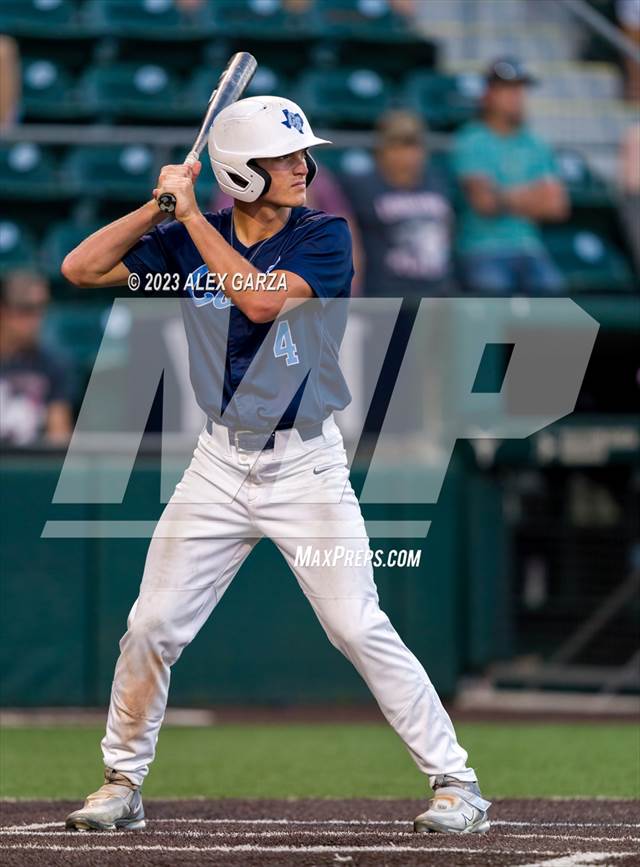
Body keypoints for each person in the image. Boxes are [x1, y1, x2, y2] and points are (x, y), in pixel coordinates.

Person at [61, 95, 490, 835]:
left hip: (306, 466)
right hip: (217, 465)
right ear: (242, 174)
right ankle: (122, 781)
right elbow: (79, 267)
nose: (302, 167)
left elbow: (260, 304)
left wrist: (191, 219)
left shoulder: (325, 236)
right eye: (283, 159)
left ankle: (457, 783)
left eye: (300, 155)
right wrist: (157, 208)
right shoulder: (185, 240)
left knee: (356, 624)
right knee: (151, 624)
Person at [452, 58, 569, 295]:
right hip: (481, 248)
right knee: (493, 292)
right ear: (489, 94)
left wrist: (503, 196)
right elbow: (484, 203)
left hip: (529, 246)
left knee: (557, 298)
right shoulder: (470, 140)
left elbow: (557, 206)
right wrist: (532, 196)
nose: (517, 97)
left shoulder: (536, 143)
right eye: (509, 89)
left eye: (520, 89)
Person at [343, 110, 455, 297]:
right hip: (386, 294)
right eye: (397, 146)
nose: (406, 155)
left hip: (437, 291)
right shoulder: (362, 187)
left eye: (412, 146)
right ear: (381, 150)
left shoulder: (438, 183)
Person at [0, 269, 73, 447]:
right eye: (26, 310)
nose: (35, 320)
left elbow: (59, 438)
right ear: (3, 310)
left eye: (40, 309)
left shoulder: (53, 364)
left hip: (29, 465)